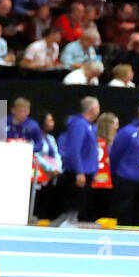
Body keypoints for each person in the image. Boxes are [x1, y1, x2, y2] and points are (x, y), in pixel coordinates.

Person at [54, 96, 100, 226]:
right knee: (74, 200)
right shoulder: (79, 124)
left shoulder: (90, 126)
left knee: (81, 201)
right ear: (92, 109)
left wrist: (95, 169)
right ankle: (65, 223)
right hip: (79, 170)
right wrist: (79, 171)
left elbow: (92, 150)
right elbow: (74, 150)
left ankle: (71, 221)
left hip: (88, 169)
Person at [109, 103, 139, 226]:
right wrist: (115, 174)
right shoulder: (127, 132)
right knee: (124, 210)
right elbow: (114, 155)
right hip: (126, 179)